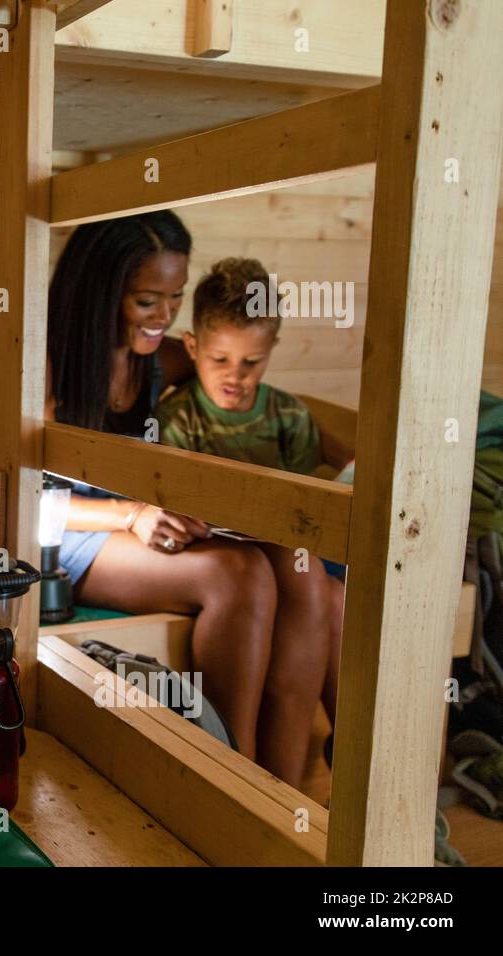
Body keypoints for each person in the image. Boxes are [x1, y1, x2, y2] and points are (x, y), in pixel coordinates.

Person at [46, 212, 332, 789]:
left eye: (175, 297)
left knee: (301, 569)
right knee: (239, 576)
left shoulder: (164, 358)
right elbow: (21, 503)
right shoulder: (47, 368)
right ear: (102, 290)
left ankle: (286, 792)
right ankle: (235, 784)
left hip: (151, 524)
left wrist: (354, 461)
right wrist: (130, 514)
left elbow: (242, 380)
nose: (165, 318)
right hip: (70, 534)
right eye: (148, 299)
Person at [157, 256, 351, 770]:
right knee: (319, 592)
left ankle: (296, 783)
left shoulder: (287, 415)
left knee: (331, 595)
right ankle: (275, 784)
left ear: (270, 353)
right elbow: (174, 499)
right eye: (220, 359)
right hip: (225, 547)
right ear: (193, 346)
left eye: (251, 363)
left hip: (291, 548)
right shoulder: (180, 419)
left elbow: (308, 499)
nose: (235, 377)